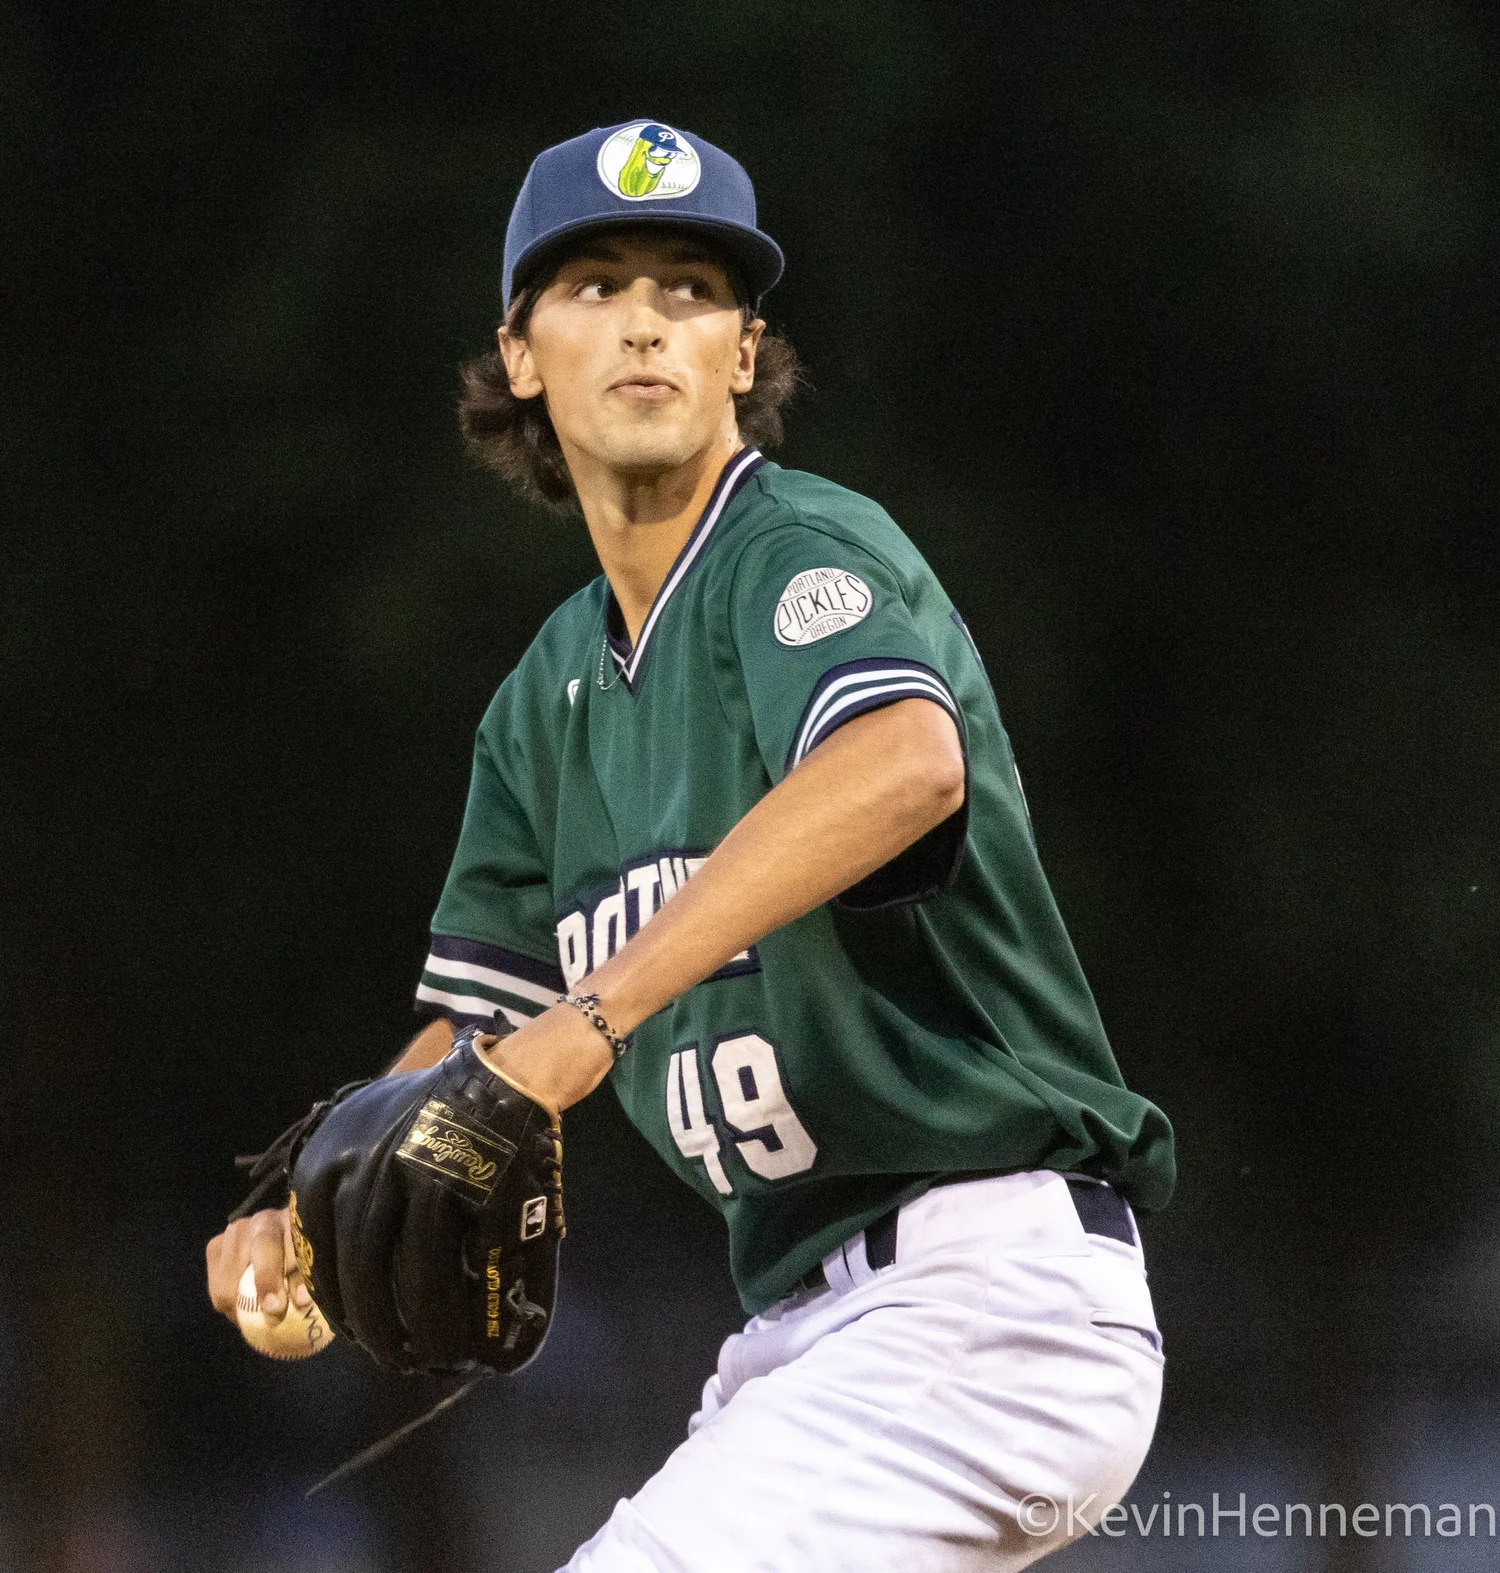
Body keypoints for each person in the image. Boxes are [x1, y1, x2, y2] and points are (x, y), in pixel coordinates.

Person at [207, 118, 1175, 1572]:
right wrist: (304, 1211)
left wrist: (586, 1029)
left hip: (986, 1299)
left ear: (743, 354)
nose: (647, 320)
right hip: (809, 1333)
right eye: (595, 285)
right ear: (520, 355)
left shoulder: (794, 553)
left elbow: (904, 762)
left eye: (692, 288)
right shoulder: (545, 700)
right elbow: (484, 1031)